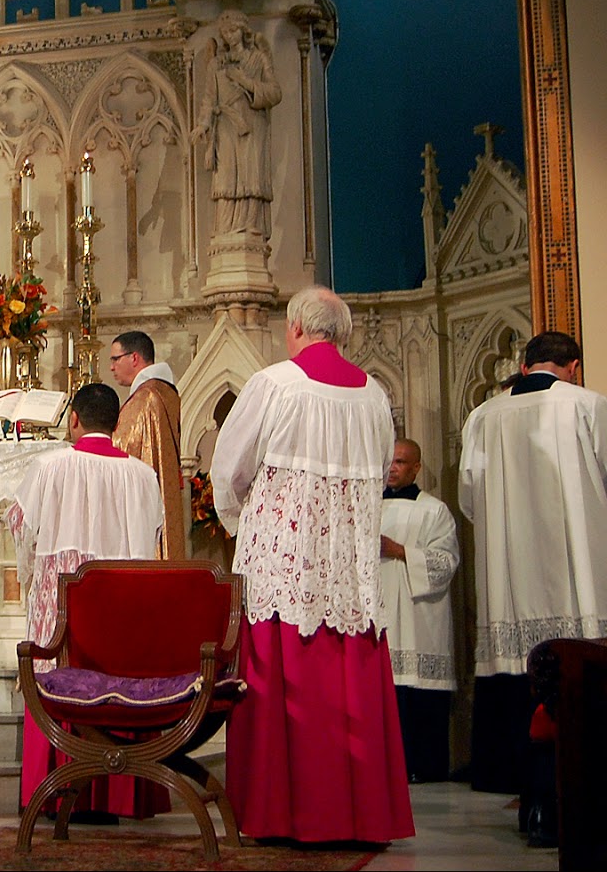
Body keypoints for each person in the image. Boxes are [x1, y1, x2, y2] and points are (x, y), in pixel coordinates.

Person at [213, 285, 413, 844]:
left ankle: (278, 814)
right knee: (346, 677)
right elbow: (377, 467)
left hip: (282, 561)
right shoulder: (373, 393)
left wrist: (239, 525)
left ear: (296, 327)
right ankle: (355, 815)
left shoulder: (273, 384)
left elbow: (229, 469)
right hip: (347, 563)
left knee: (282, 683)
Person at [459, 330, 607, 815]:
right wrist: (605, 539)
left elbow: (471, 498)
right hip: (578, 576)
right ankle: (584, 803)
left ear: (523, 367)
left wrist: (505, 536)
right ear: (573, 366)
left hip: (509, 581)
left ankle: (530, 802)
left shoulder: (482, 417)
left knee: (520, 682)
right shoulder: (588, 405)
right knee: (581, 677)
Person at [5, 382, 167, 824]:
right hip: (120, 598)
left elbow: (19, 524)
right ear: (116, 424)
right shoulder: (142, 474)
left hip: (63, 598)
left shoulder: (49, 465)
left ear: (73, 418)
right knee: (112, 677)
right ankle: (114, 798)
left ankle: (57, 793)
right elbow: (154, 534)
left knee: (59, 671)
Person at [377, 438, 460, 783]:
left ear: (416, 467)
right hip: (380, 613)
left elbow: (446, 563)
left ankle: (425, 767)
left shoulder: (434, 510)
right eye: (389, 462)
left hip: (418, 614)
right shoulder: (367, 508)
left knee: (418, 693)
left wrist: (399, 550)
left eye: (400, 462)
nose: (393, 468)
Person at [193, 9, 283, 236]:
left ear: (243, 31)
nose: (230, 36)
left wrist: (246, 82)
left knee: (251, 173)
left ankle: (251, 226)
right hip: (225, 125)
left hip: (252, 125)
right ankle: (226, 230)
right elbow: (208, 99)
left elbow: (274, 92)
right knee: (226, 174)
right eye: (225, 32)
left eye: (234, 30)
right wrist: (203, 125)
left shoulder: (258, 59)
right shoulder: (216, 64)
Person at [108, 329, 184, 558]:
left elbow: (122, 446)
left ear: (134, 358)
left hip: (146, 501)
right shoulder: (164, 390)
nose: (112, 367)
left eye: (115, 359)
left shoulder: (145, 397)